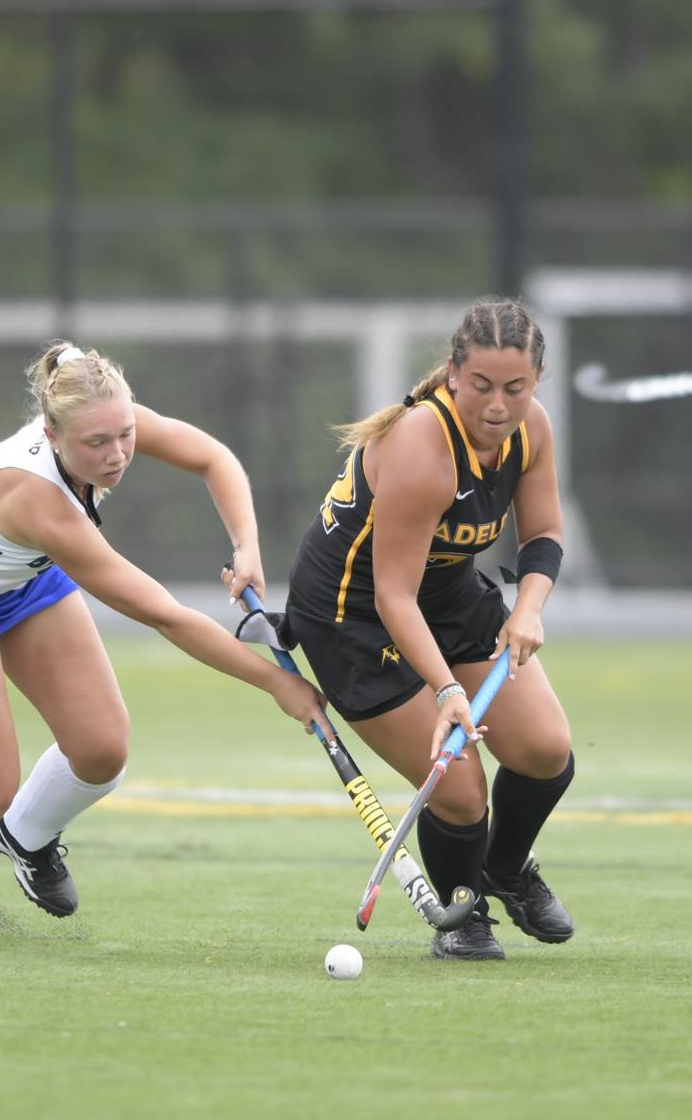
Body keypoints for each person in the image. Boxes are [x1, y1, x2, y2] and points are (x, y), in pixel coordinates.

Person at [0, 341, 329, 950]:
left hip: (22, 575)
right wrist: (278, 683)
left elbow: (213, 459)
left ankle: (24, 834)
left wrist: (247, 546)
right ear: (53, 436)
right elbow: (164, 613)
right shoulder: (40, 503)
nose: (117, 456)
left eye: (125, 436)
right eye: (96, 445)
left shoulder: (110, 416)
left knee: (102, 749)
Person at [283, 296, 575, 962]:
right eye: (481, 386)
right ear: (452, 373)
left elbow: (545, 536)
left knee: (545, 750)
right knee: (463, 786)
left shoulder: (532, 430)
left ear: (535, 382)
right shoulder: (423, 444)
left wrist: (529, 606)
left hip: (444, 591)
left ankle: (505, 869)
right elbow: (391, 593)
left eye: (516, 388)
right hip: (348, 612)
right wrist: (446, 690)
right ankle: (462, 914)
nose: (498, 406)